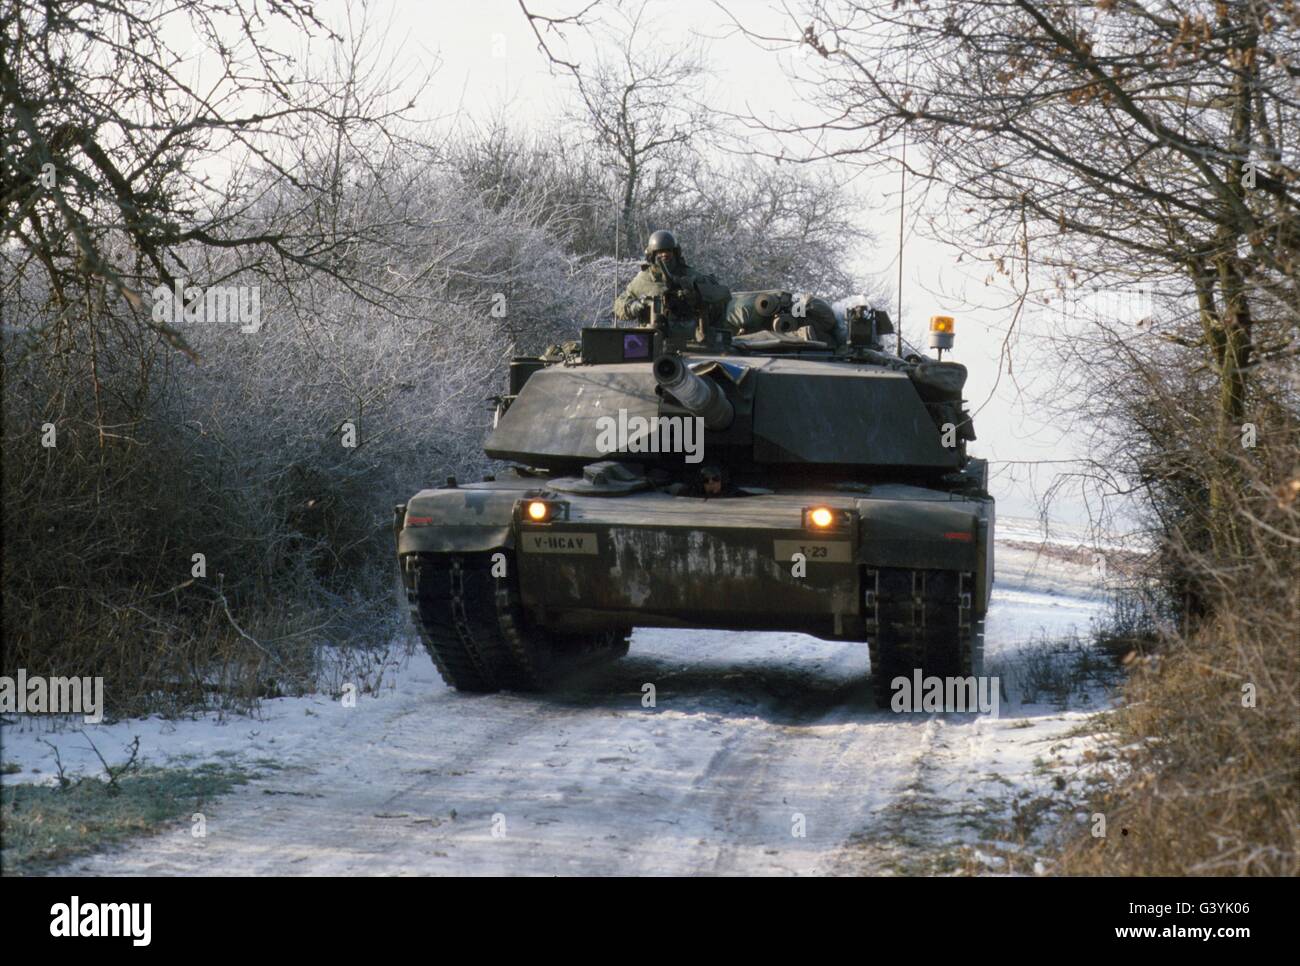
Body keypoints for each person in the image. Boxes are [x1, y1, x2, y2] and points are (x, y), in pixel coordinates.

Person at [614, 230, 731, 330]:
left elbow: (722, 293)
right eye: (660, 252)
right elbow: (619, 304)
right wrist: (635, 306)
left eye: (668, 251)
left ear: (675, 253)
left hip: (689, 338)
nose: (664, 255)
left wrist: (696, 292)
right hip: (652, 338)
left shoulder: (688, 274)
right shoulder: (643, 279)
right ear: (652, 255)